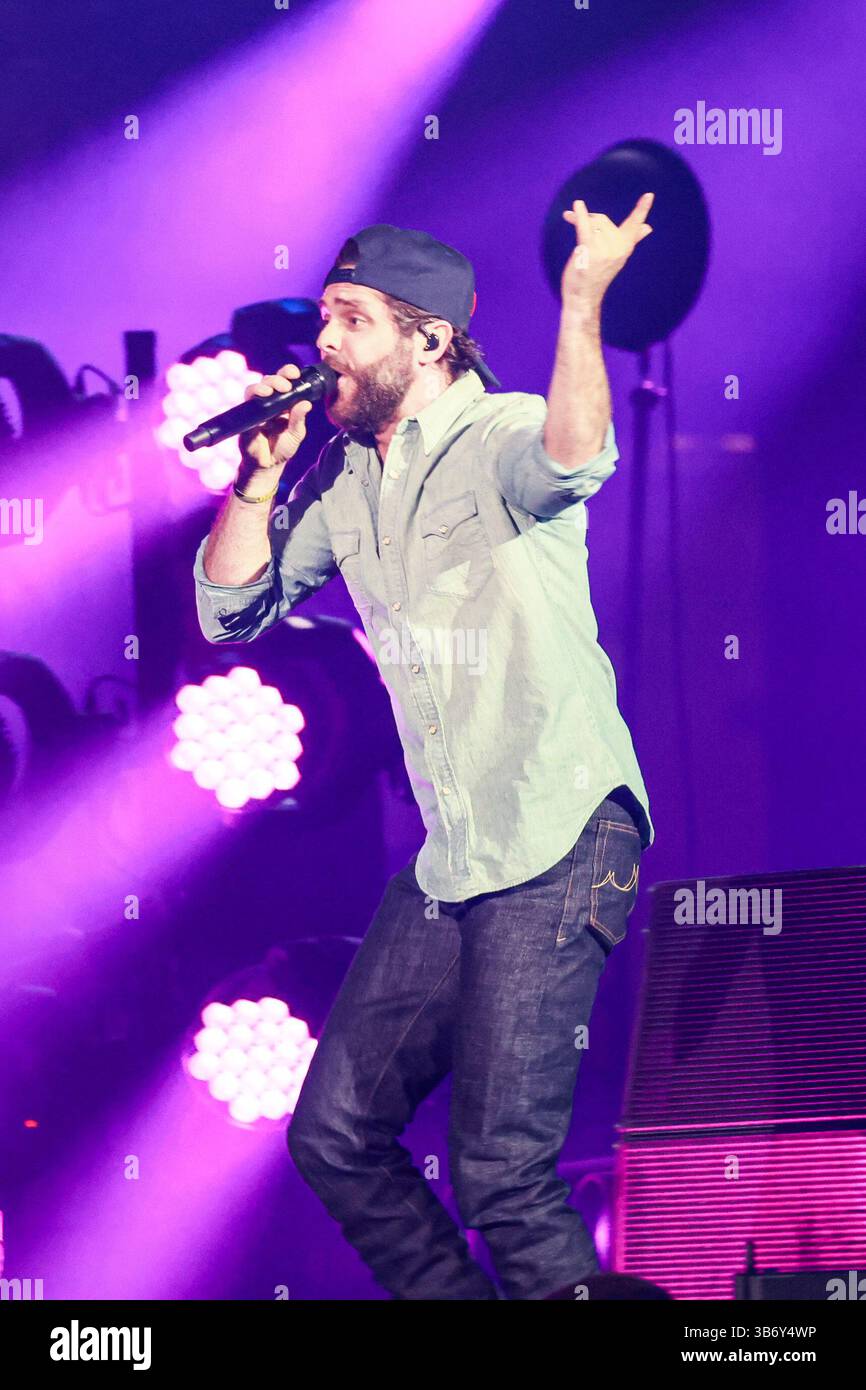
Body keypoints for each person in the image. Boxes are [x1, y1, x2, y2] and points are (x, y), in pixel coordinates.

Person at [193, 201, 656, 1299]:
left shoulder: (496, 430)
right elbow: (229, 613)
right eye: (323, 321)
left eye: (350, 321)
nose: (324, 345)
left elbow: (575, 455)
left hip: (557, 831)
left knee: (503, 1180)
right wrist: (258, 476)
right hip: (455, 862)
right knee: (335, 1136)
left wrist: (582, 297)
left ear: (428, 339)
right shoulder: (346, 483)